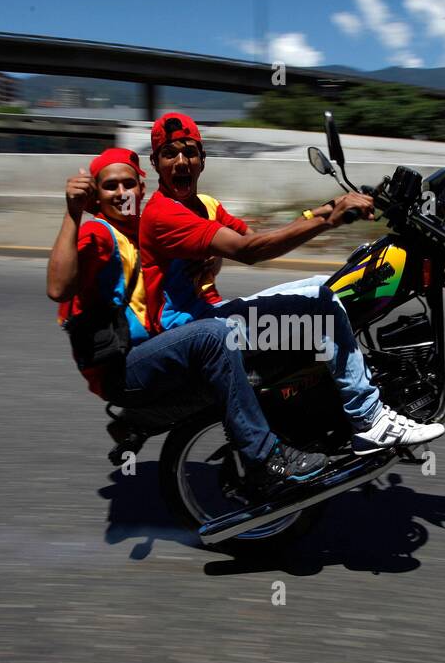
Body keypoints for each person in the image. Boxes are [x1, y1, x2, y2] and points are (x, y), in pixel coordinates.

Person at [137, 112, 444, 455]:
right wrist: (329, 215)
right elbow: (251, 252)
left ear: (202, 159)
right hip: (192, 332)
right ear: (155, 162)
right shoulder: (164, 212)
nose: (182, 162)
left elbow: (254, 238)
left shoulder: (201, 206)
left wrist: (324, 211)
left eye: (190, 152)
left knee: (322, 287)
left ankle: (332, 395)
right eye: (170, 154)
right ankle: (370, 419)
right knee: (320, 310)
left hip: (208, 314)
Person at [48, 147, 326, 497]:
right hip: (122, 366)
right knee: (215, 336)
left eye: (129, 184)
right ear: (96, 195)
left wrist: (210, 261)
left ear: (142, 188)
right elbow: (58, 288)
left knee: (267, 331)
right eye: (110, 187)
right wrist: (73, 214)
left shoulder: (149, 227)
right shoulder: (100, 234)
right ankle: (264, 459)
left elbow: (234, 243)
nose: (122, 194)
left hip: (157, 349)